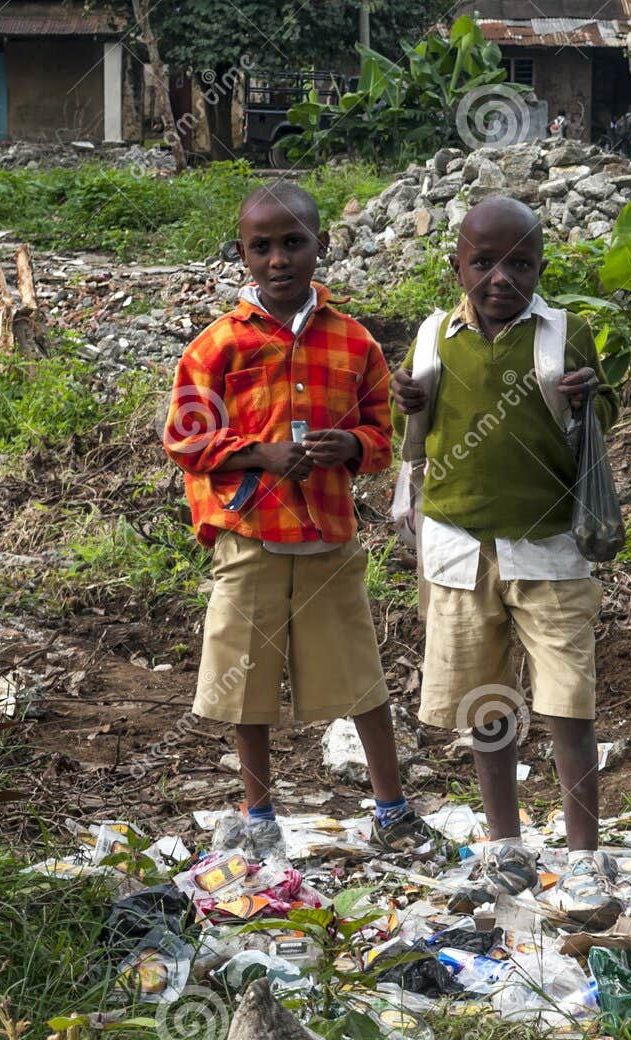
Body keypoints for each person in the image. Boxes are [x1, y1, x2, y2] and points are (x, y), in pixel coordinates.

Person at [165, 182, 437, 862]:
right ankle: (257, 815)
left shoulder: (354, 342)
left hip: (328, 540)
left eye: (293, 243)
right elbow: (185, 441)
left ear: (322, 246)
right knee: (247, 684)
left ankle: (392, 808)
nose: (279, 259)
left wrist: (351, 448)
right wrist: (260, 453)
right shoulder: (216, 347)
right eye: (263, 248)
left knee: (360, 677)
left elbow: (383, 434)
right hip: (249, 536)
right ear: (242, 255)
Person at [387, 196, 620, 923]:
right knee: (487, 705)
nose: (500, 278)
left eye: (518, 263)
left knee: (566, 704)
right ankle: (505, 846)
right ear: (457, 264)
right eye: (483, 263)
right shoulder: (433, 338)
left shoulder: (562, 335)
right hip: (458, 549)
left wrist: (589, 399)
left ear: (540, 268)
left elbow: (598, 422)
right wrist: (403, 401)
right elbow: (411, 428)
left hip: (547, 548)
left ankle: (583, 857)